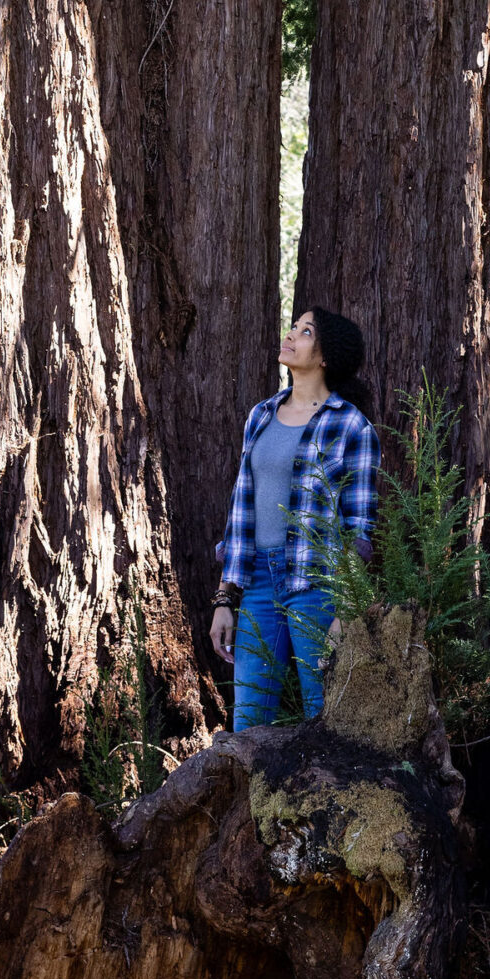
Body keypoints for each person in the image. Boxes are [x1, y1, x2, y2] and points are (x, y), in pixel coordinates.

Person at [209, 307, 380, 730]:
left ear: (325, 357)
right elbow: (241, 511)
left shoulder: (352, 427)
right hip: (259, 586)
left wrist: (345, 611)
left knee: (325, 718)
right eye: (294, 327)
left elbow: (359, 531)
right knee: (249, 723)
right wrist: (225, 599)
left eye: (306, 332)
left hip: (316, 587)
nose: (292, 334)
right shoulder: (261, 416)